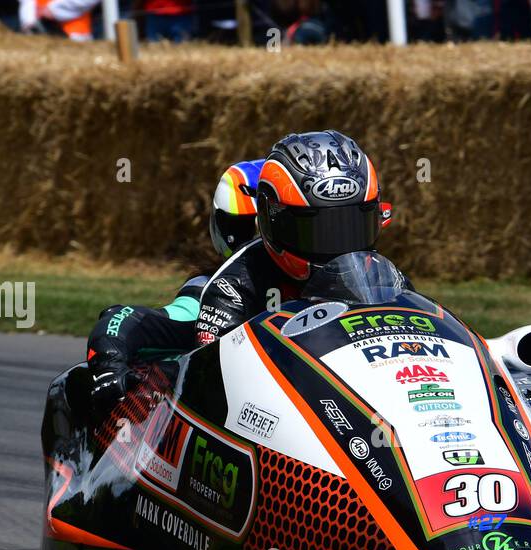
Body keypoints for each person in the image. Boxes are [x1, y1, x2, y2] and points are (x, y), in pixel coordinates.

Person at [86, 130, 393, 419]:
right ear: (273, 224)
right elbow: (211, 387)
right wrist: (111, 365)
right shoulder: (229, 288)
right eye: (320, 232)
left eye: (351, 227)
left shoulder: (377, 277)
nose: (338, 246)